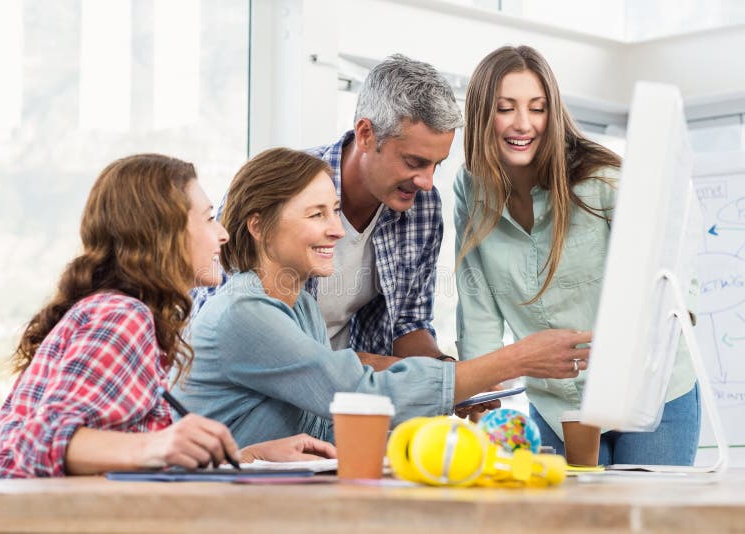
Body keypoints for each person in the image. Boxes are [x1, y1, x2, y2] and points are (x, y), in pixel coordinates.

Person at [174, 147, 592, 447]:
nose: (337, 230)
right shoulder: (244, 312)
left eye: (334, 211)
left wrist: (435, 435)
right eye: (317, 214)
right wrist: (516, 359)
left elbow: (323, 421)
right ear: (258, 226)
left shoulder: (299, 306)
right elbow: (357, 393)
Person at [0, 154, 335, 478]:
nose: (224, 234)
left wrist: (249, 456)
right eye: (209, 219)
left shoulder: (128, 315)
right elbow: (35, 443)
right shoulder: (121, 316)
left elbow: (120, 463)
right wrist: (157, 445)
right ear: (166, 232)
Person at [454, 45, 699, 465]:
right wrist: (481, 383)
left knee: (644, 507)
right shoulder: (471, 188)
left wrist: (666, 324)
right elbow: (476, 295)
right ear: (481, 115)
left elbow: (672, 265)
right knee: (574, 508)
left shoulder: (600, 179)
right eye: (505, 108)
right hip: (558, 406)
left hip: (651, 394)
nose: (523, 123)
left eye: (537, 108)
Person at [193, 54, 462, 365]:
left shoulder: (422, 206)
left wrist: (446, 370)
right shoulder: (278, 187)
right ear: (365, 134)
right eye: (414, 162)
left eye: (437, 165)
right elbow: (236, 328)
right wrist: (429, 377)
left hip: (339, 385)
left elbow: (407, 323)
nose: (427, 182)